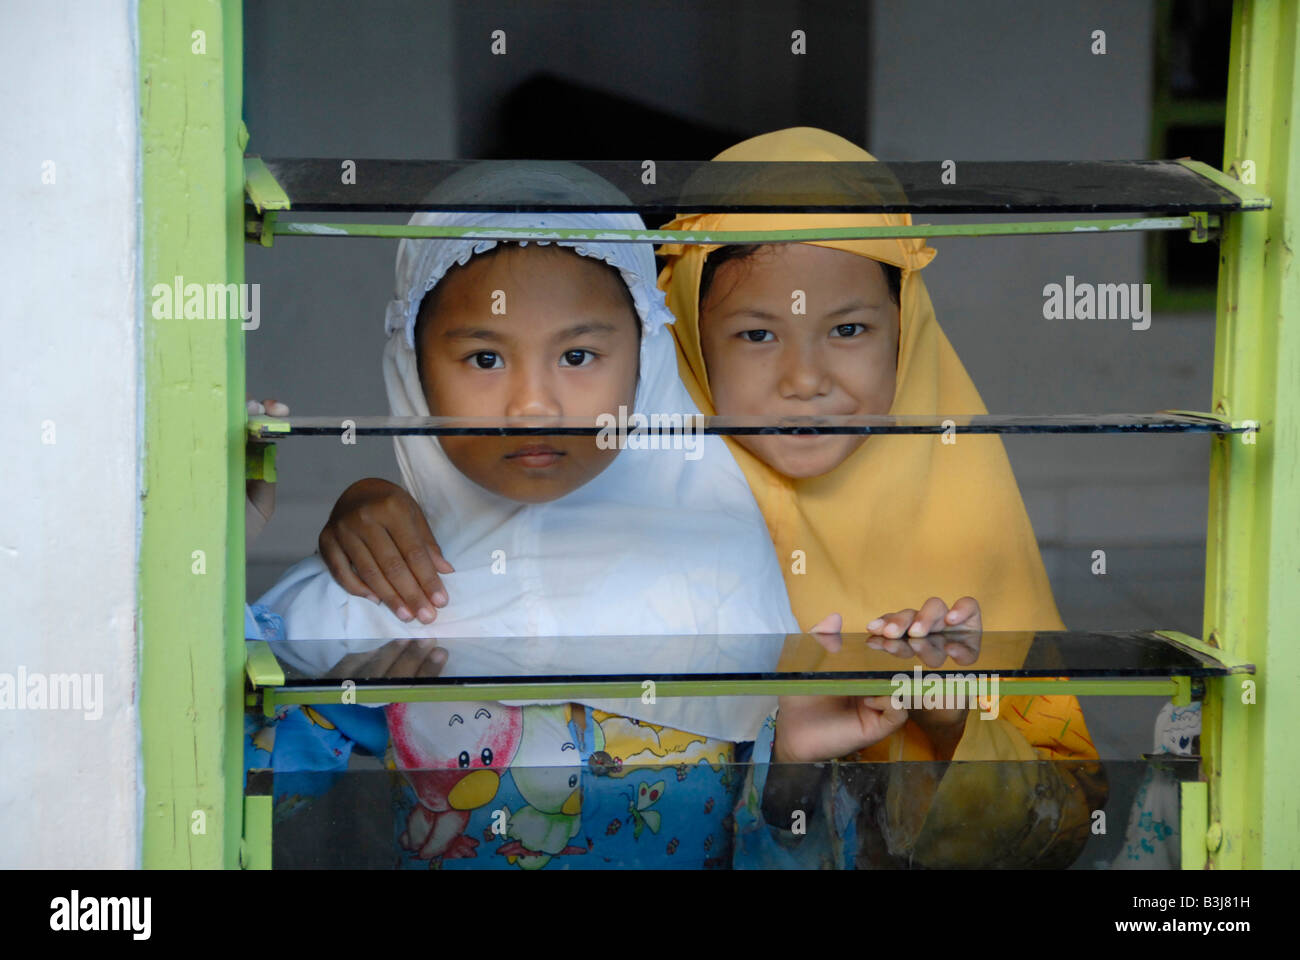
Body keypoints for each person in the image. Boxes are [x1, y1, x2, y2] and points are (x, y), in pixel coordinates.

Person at [314, 130, 1107, 868]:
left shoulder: (965, 527)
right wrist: (379, 494)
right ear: (682, 337)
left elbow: (1069, 824)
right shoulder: (629, 486)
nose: (805, 379)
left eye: (851, 330)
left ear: (908, 332)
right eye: (756, 335)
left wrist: (947, 721)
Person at [252, 161, 802, 869]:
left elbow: (794, 827)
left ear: (646, 361)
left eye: (578, 354)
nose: (534, 405)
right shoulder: (392, 587)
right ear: (414, 369)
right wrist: (223, 529)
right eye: (484, 357)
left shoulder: (720, 561)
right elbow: (221, 780)